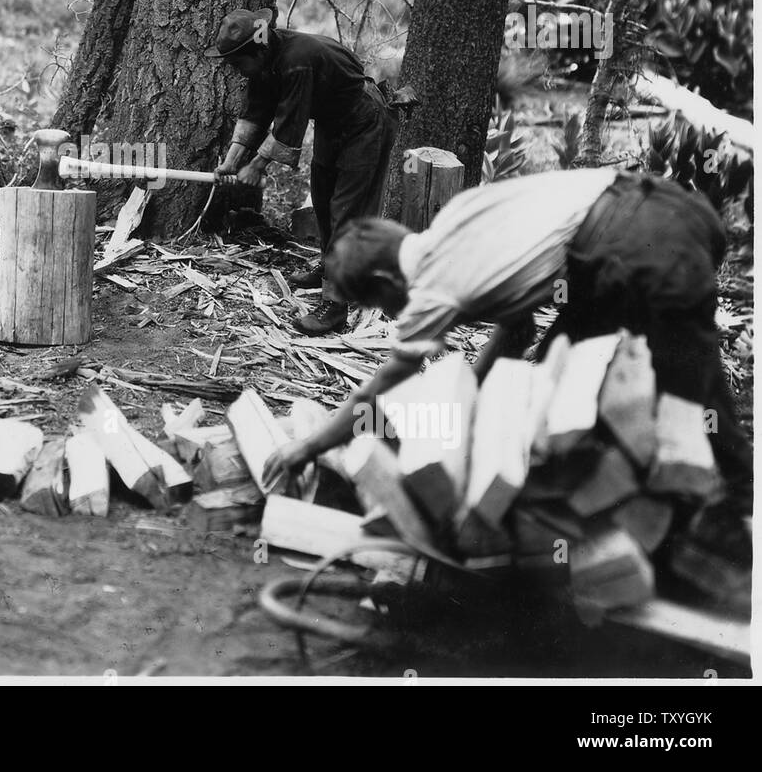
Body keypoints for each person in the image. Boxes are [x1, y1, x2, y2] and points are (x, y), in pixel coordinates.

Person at [260, 168, 754, 523]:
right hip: (649, 211)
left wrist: (311, 445)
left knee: (689, 389)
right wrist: (472, 397)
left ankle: (738, 511)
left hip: (641, 245)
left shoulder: (433, 285)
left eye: (376, 301)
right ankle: (582, 494)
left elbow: (379, 388)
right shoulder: (457, 218)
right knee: (562, 367)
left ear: (388, 278)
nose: (388, 315)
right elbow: (516, 331)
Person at [210, 7, 396, 334]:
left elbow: (289, 124)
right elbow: (256, 115)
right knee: (323, 199)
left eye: (239, 63)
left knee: (345, 212)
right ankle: (329, 266)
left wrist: (256, 165)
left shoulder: (296, 61)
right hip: (331, 123)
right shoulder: (264, 64)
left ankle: (335, 306)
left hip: (363, 122)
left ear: (259, 49)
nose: (238, 71)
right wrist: (230, 161)